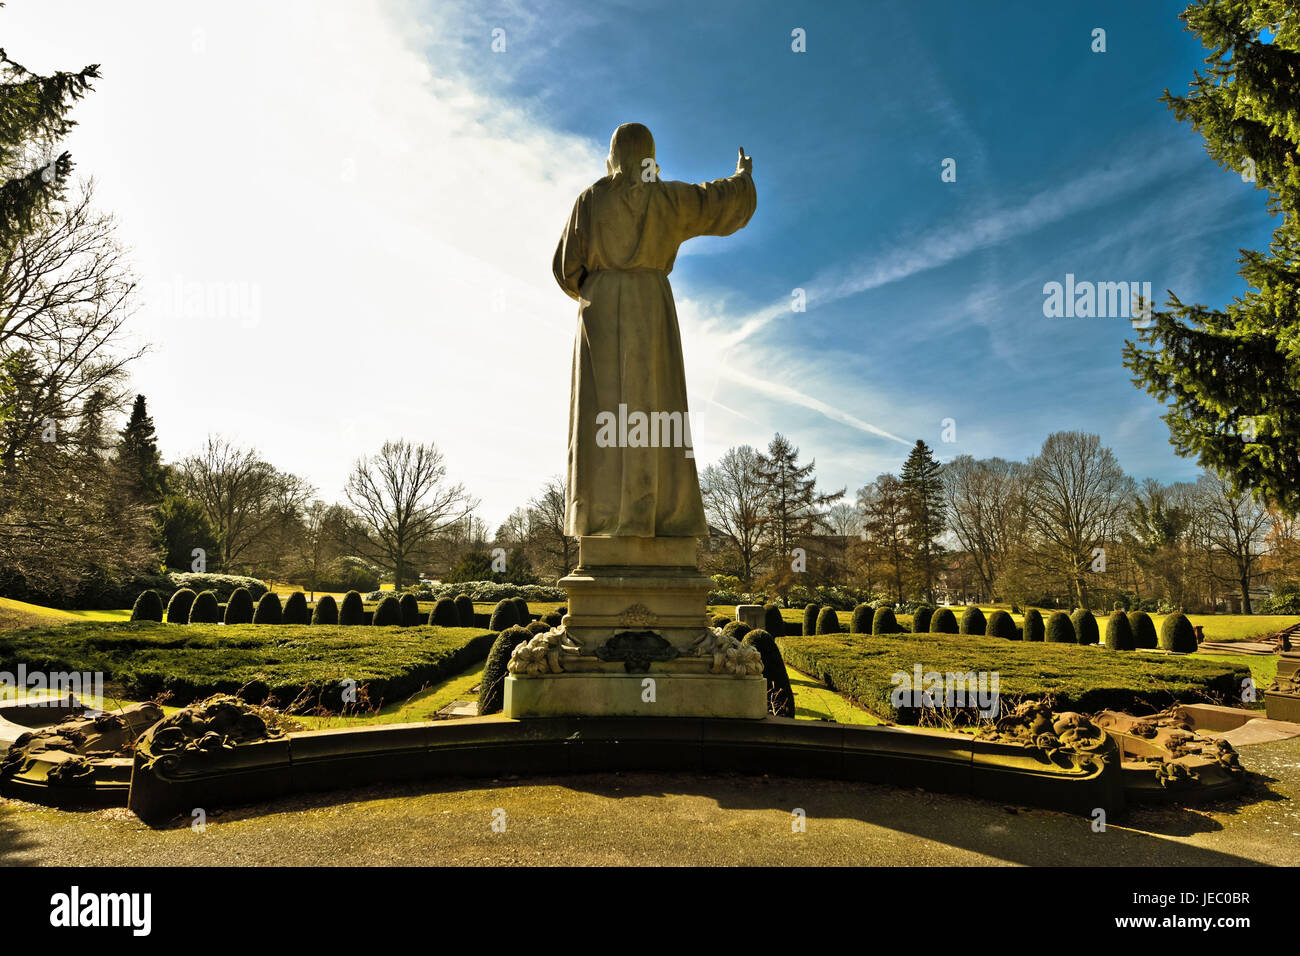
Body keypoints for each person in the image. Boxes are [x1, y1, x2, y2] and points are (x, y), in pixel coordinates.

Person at [553, 122, 756, 538]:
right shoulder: (668, 197)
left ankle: (604, 518)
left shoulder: (591, 199)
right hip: (650, 304)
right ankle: (650, 516)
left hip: (601, 306)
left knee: (604, 413)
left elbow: (566, 267)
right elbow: (718, 202)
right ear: (649, 155)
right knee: (651, 408)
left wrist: (597, 282)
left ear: (613, 154)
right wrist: (743, 176)